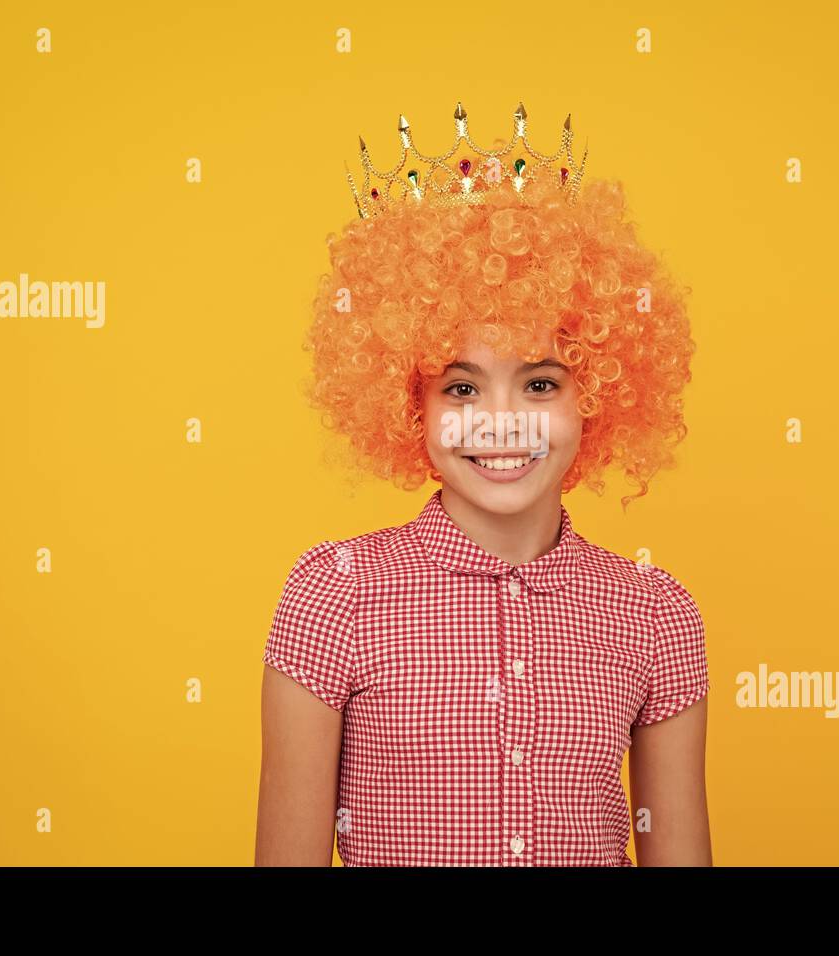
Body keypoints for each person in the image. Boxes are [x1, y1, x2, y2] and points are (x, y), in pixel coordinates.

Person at [255, 103, 710, 866]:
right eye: (461, 389)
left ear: (596, 395)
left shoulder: (656, 615)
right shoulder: (334, 595)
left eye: (539, 384)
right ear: (411, 404)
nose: (501, 423)